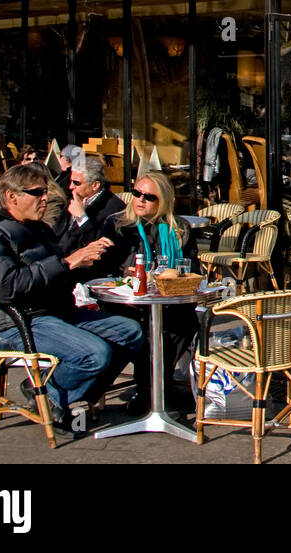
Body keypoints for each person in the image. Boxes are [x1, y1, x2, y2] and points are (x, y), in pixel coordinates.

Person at [0, 164, 143, 436]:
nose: (45, 198)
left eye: (45, 192)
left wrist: (87, 263)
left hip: (48, 310)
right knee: (94, 353)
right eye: (37, 193)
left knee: (129, 331)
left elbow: (54, 270)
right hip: (10, 321)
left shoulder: (35, 228)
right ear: (12, 196)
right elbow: (8, 287)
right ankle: (47, 394)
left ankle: (64, 399)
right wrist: (69, 263)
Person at [94, 171, 194, 413]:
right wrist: (124, 273)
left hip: (168, 300)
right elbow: (101, 266)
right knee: (146, 329)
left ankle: (153, 391)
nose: (139, 200)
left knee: (183, 323)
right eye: (136, 193)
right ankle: (155, 391)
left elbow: (192, 267)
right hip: (127, 302)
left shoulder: (179, 228)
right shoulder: (118, 226)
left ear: (163, 201)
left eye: (148, 197)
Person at [53, 156, 124, 255]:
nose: (71, 187)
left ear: (95, 185)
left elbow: (100, 248)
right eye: (71, 181)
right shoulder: (75, 198)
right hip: (59, 258)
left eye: (76, 183)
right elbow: (57, 233)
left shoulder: (115, 208)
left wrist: (82, 218)